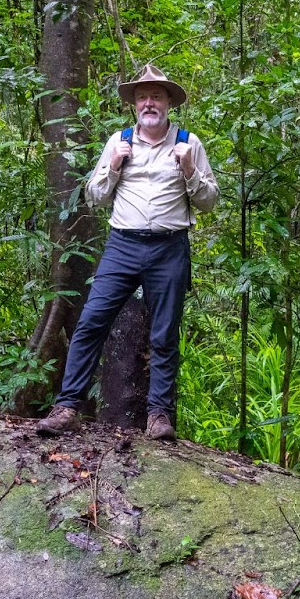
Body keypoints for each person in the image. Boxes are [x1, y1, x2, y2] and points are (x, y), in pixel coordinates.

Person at [36, 64, 220, 440]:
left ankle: (159, 417)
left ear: (169, 102)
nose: (148, 103)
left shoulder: (190, 143)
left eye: (156, 96)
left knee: (164, 333)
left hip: (170, 247)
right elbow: (95, 197)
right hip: (122, 245)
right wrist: (115, 165)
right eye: (141, 97)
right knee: (91, 322)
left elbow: (209, 202)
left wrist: (189, 169)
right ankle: (68, 406)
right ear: (134, 104)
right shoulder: (118, 141)